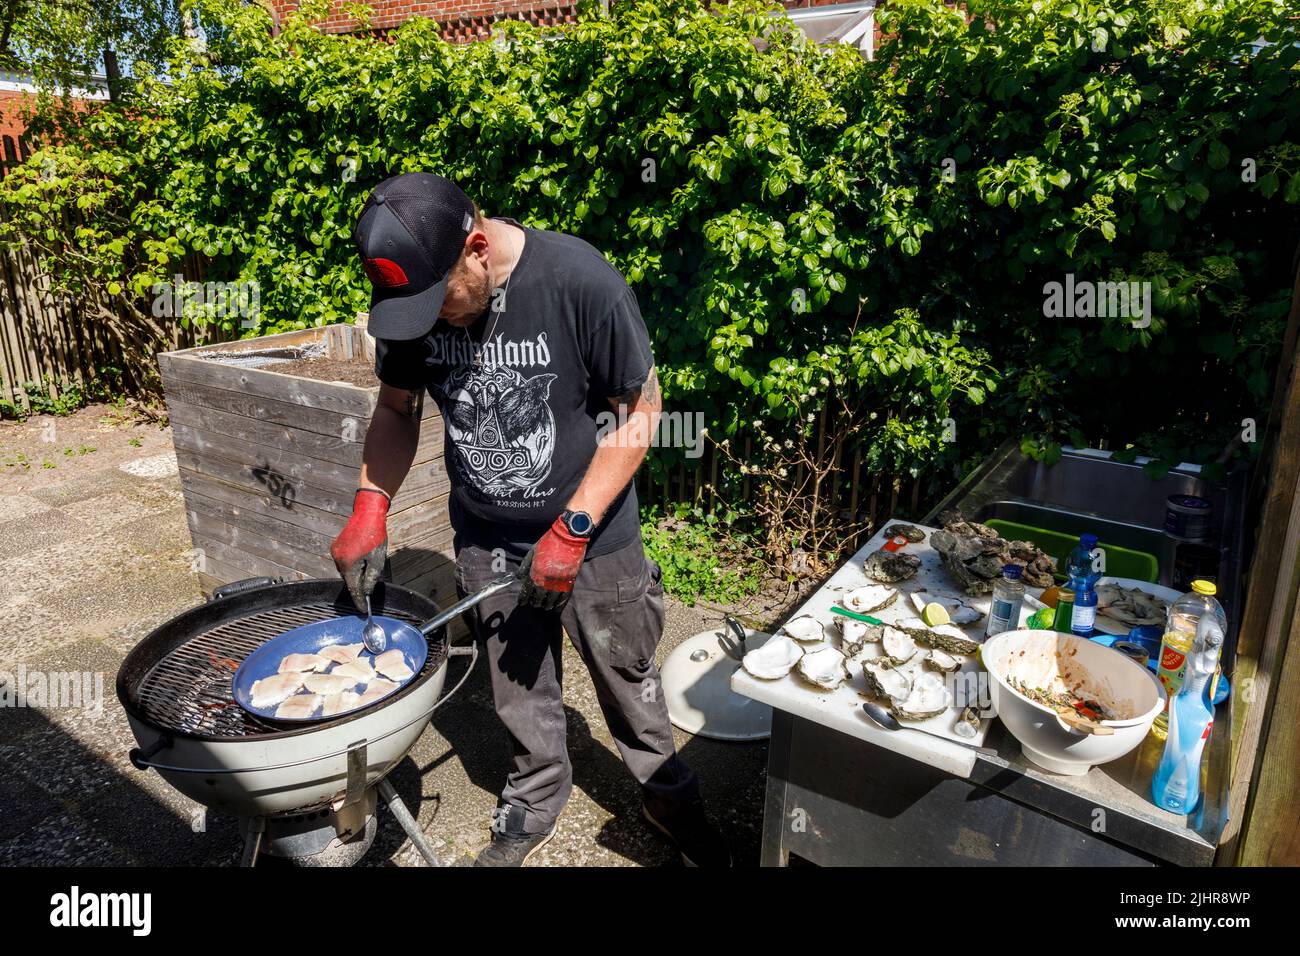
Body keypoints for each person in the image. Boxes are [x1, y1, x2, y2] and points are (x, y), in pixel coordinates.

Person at [330, 172, 730, 867]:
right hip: (486, 535)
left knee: (627, 673)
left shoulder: (579, 278)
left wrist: (573, 528)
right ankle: (535, 793)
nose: (433, 321)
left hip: (595, 536)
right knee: (515, 686)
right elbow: (397, 409)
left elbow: (642, 412)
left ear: (478, 249)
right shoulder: (412, 298)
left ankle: (668, 794)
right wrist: (371, 504)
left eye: (442, 302)